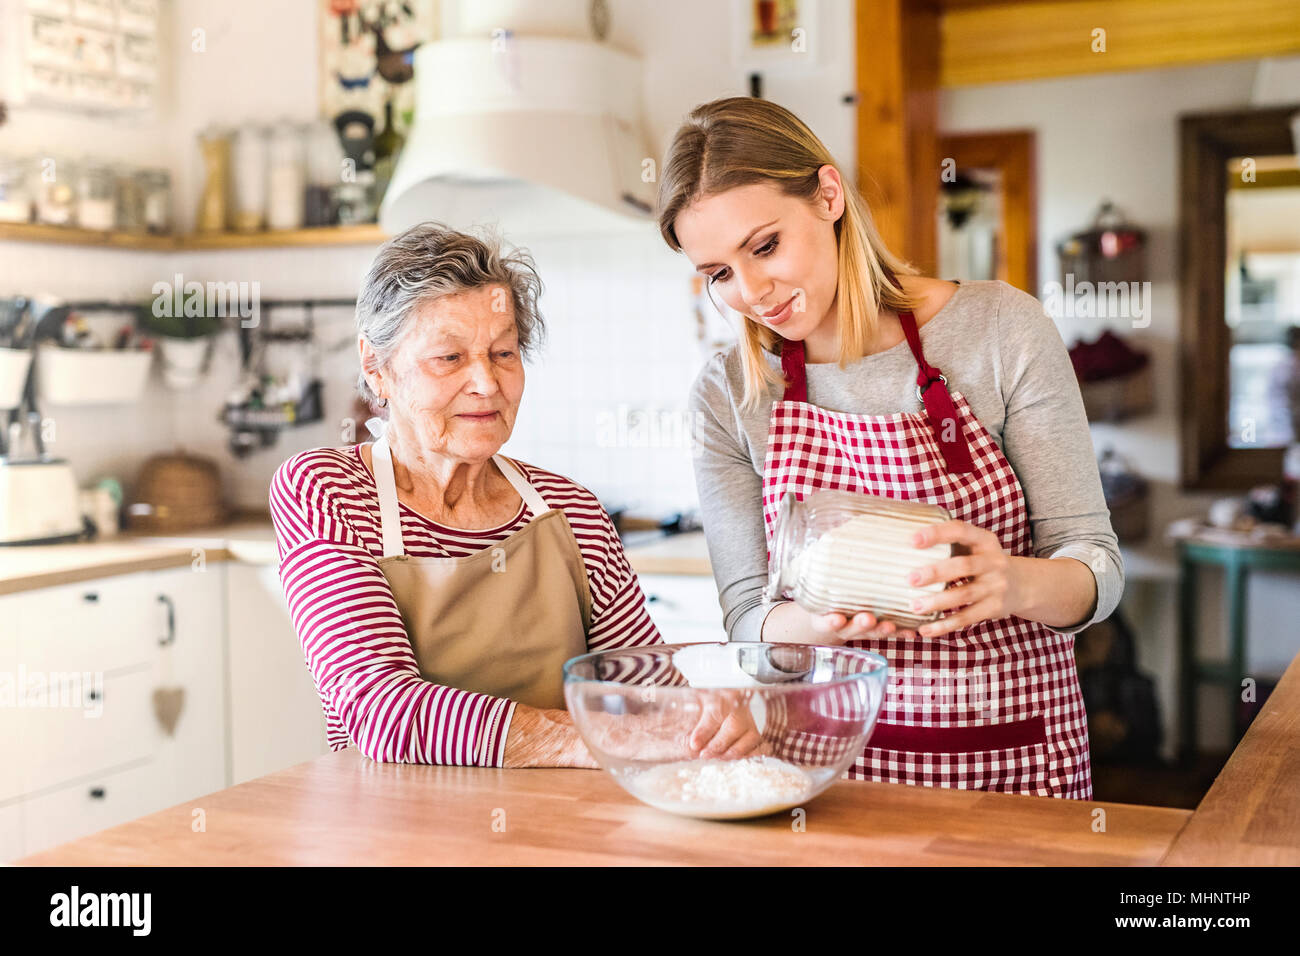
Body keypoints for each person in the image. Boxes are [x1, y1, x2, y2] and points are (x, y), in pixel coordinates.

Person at [656, 97, 1125, 798]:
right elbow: (748, 622)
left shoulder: (1000, 329)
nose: (752, 291)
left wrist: (1012, 582)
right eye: (718, 273)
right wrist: (815, 623)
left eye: (764, 246)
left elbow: (1097, 567)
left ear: (827, 194)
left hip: (1011, 759)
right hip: (824, 774)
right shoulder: (729, 394)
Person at [270, 223, 750, 768]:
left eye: (502, 353)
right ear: (376, 367)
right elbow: (385, 713)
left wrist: (704, 718)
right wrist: (604, 738)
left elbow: (645, 692)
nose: (487, 383)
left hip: (563, 832)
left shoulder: (572, 509)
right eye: (449, 358)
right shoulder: (326, 490)